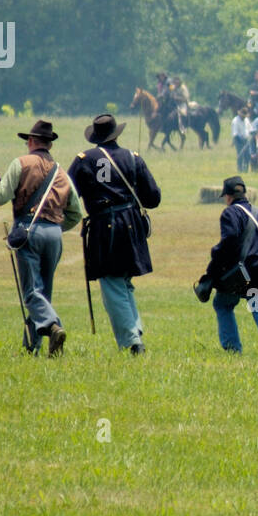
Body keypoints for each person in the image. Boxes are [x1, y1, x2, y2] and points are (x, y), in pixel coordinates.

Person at [68, 114, 162, 354]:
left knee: (112, 283)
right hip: (131, 225)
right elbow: (153, 198)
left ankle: (132, 342)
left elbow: (69, 196)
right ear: (116, 134)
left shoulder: (83, 160)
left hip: (103, 227)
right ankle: (135, 330)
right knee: (123, 281)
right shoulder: (133, 158)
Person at [0, 120, 82, 356]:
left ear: (31, 142)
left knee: (31, 292)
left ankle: (53, 326)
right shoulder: (61, 172)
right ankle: (33, 347)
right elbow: (76, 213)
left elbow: (1, 196)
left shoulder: (20, 163)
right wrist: (57, 229)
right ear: (49, 144)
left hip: (28, 232)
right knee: (43, 293)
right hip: (54, 235)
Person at [202, 176, 258, 355]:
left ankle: (232, 349)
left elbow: (229, 240)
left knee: (223, 304)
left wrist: (213, 262)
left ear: (229, 196)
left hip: (241, 273)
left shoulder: (230, 213)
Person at [231, 106, 254, 173]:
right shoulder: (235, 121)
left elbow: (250, 129)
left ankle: (246, 169)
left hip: (246, 140)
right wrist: (240, 140)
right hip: (238, 140)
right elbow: (235, 133)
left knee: (247, 155)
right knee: (240, 155)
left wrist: (253, 132)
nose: (244, 117)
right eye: (243, 115)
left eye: (245, 115)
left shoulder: (246, 120)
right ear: (240, 114)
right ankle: (240, 169)